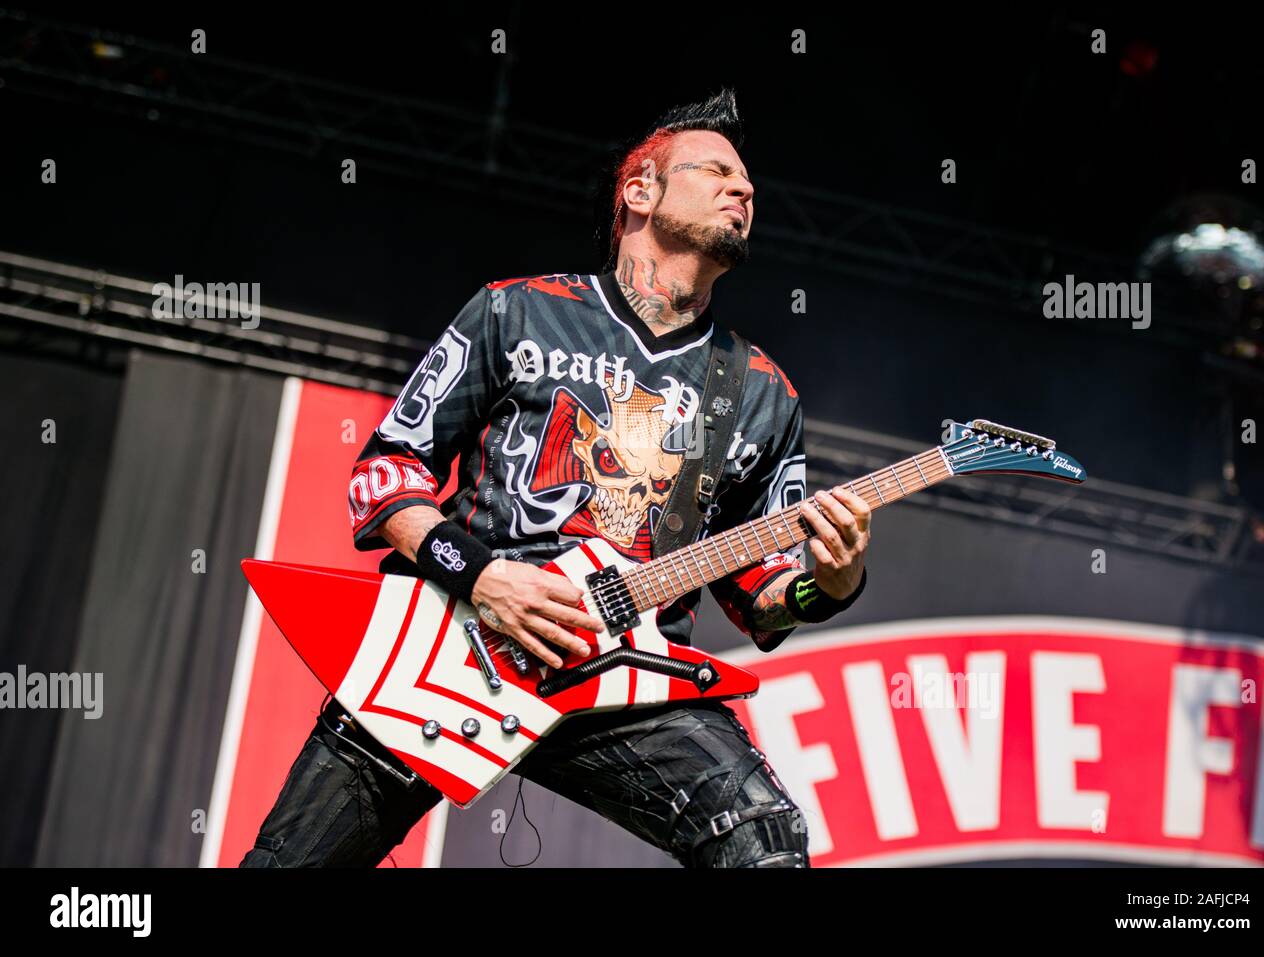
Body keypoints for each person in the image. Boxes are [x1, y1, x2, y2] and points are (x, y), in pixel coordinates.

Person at [240, 88, 872, 869]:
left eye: (749, 186)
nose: (744, 192)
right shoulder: (516, 311)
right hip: (453, 649)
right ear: (640, 191)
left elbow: (762, 600)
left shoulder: (762, 391)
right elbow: (383, 474)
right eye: (716, 172)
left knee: (765, 839)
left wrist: (832, 586)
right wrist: (483, 577)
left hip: (629, 679)